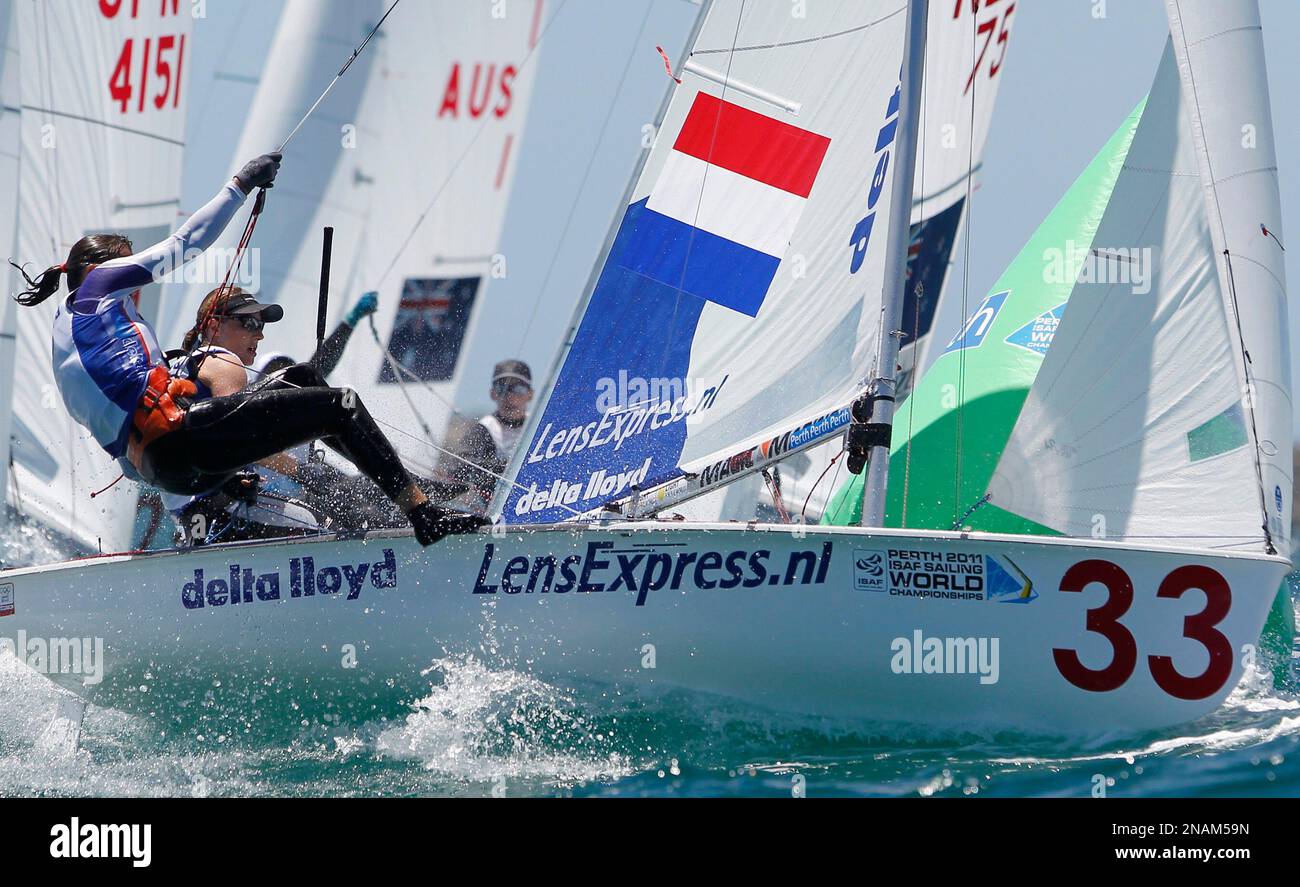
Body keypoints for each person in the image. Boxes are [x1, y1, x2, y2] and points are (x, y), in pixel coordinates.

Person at [11, 153, 484, 547]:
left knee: (299, 380)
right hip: (182, 444)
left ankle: (369, 493)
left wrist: (211, 470)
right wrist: (240, 185)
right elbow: (186, 242)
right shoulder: (98, 286)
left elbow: (129, 458)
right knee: (342, 405)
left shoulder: (67, 346)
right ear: (99, 269)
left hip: (166, 471)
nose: (135, 281)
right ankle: (423, 517)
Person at [440, 360, 533, 507]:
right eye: (502, 387)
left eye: (518, 388)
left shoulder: (536, 426)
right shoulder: (484, 429)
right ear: (493, 393)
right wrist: (502, 467)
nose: (509, 394)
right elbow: (458, 467)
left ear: (530, 394)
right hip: (492, 507)